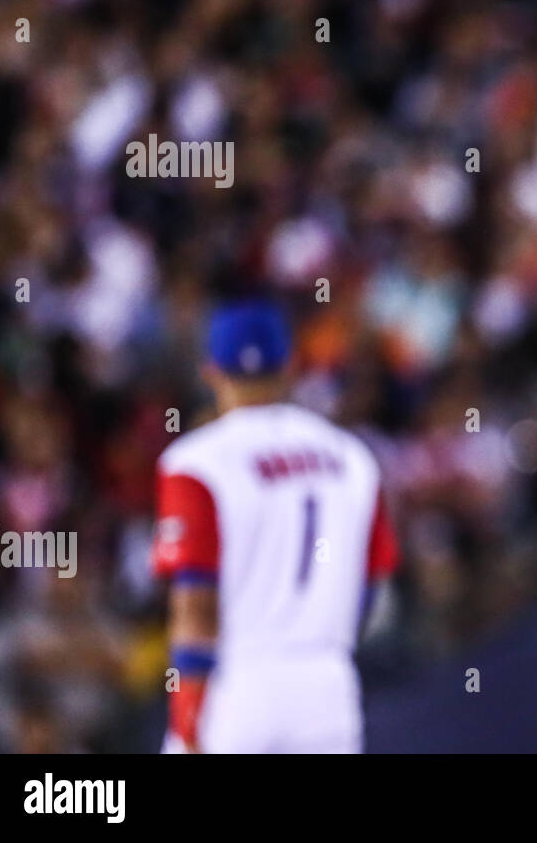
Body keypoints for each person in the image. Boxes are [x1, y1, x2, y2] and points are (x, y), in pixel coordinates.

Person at [151, 298, 399, 753]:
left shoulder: (196, 462)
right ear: (289, 365)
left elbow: (196, 605)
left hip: (238, 688)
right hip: (329, 687)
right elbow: (368, 588)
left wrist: (187, 720)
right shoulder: (353, 456)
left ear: (211, 371)